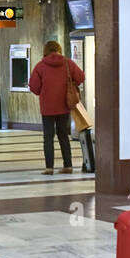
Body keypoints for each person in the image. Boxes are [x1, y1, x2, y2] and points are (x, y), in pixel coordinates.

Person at [28, 40, 85, 174]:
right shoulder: (67, 63)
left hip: (47, 107)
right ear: (59, 49)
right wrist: (70, 82)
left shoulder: (40, 66)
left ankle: (49, 167)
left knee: (48, 137)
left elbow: (34, 87)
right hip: (64, 105)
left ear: (46, 50)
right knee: (63, 135)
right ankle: (68, 165)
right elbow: (81, 77)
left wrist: (43, 91)